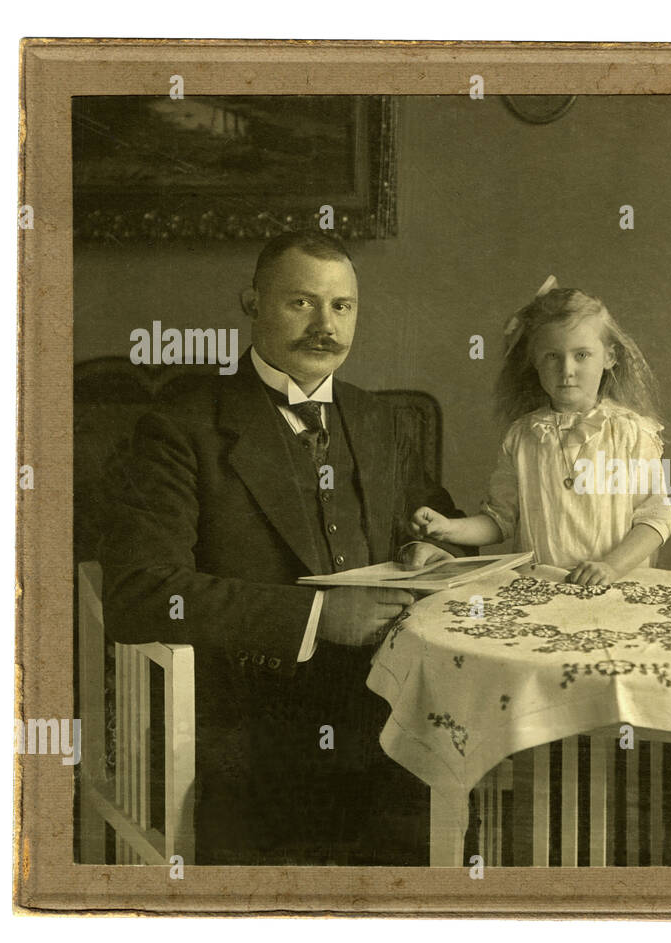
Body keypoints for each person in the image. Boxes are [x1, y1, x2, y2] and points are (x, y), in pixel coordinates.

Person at [102, 231, 471, 865]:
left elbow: (440, 524)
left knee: (443, 801)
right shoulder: (180, 423)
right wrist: (319, 618)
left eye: (342, 306)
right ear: (251, 303)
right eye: (301, 303)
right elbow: (139, 590)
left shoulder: (376, 419)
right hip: (244, 704)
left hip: (383, 691)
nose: (325, 326)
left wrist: (434, 548)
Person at [412, 277, 671, 583]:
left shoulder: (631, 433)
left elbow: (656, 518)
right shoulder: (523, 436)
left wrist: (612, 567)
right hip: (539, 587)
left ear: (610, 357)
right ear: (534, 361)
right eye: (552, 356)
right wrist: (447, 528)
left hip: (614, 586)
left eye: (582, 355)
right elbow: (500, 521)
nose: (567, 370)